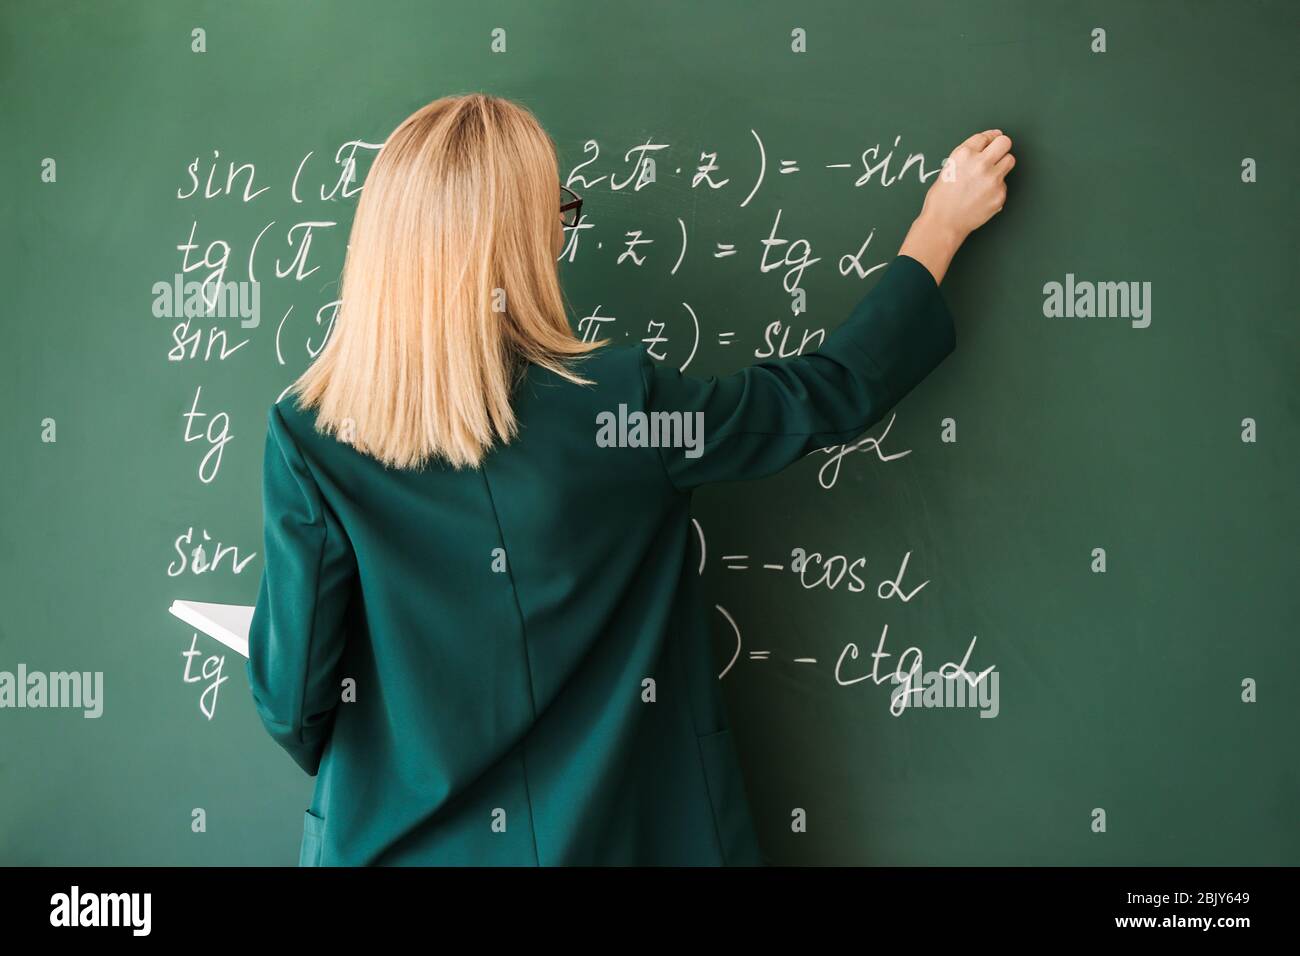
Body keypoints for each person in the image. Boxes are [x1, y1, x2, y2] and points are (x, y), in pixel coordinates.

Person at [246, 92, 1014, 865]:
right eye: (557, 216)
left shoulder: (312, 439)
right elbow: (825, 395)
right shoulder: (622, 408)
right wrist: (939, 226)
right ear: (517, 244)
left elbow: (294, 708)